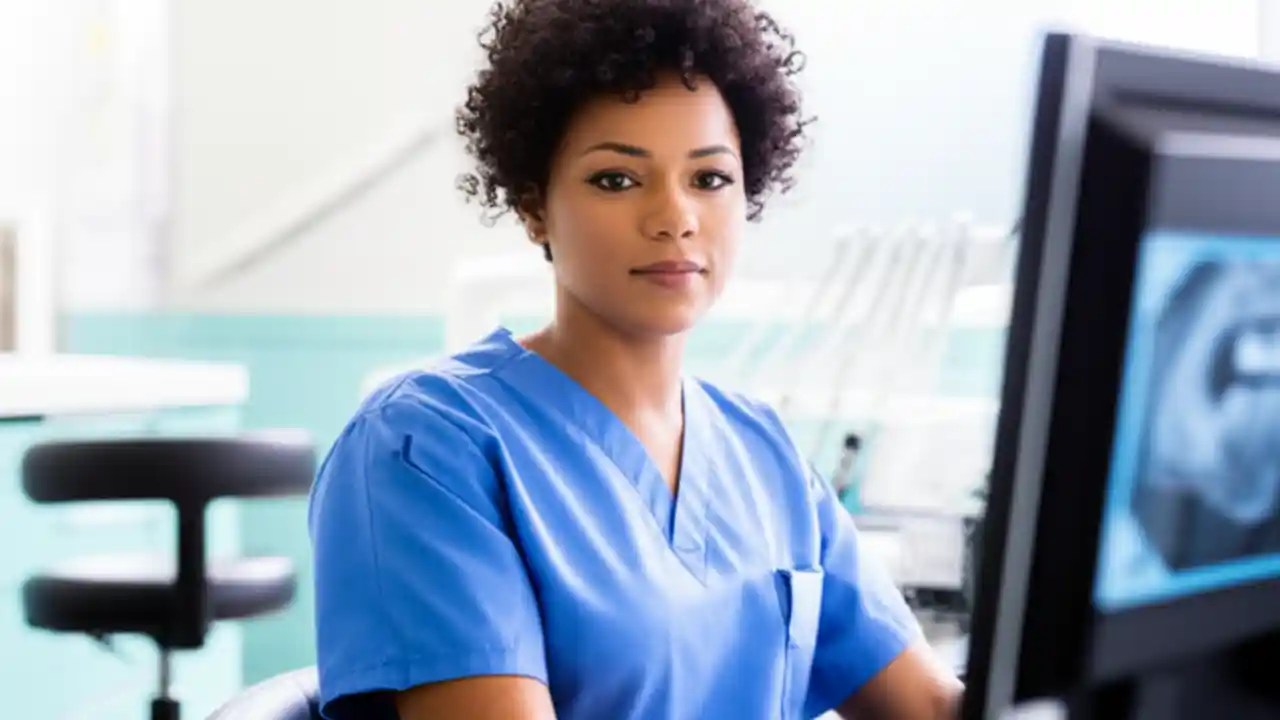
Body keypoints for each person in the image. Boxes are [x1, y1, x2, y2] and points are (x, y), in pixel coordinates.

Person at [308, 0, 963, 718]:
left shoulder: (765, 455)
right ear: (534, 206)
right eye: (617, 179)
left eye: (710, 179)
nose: (674, 216)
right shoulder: (424, 445)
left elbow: (927, 707)